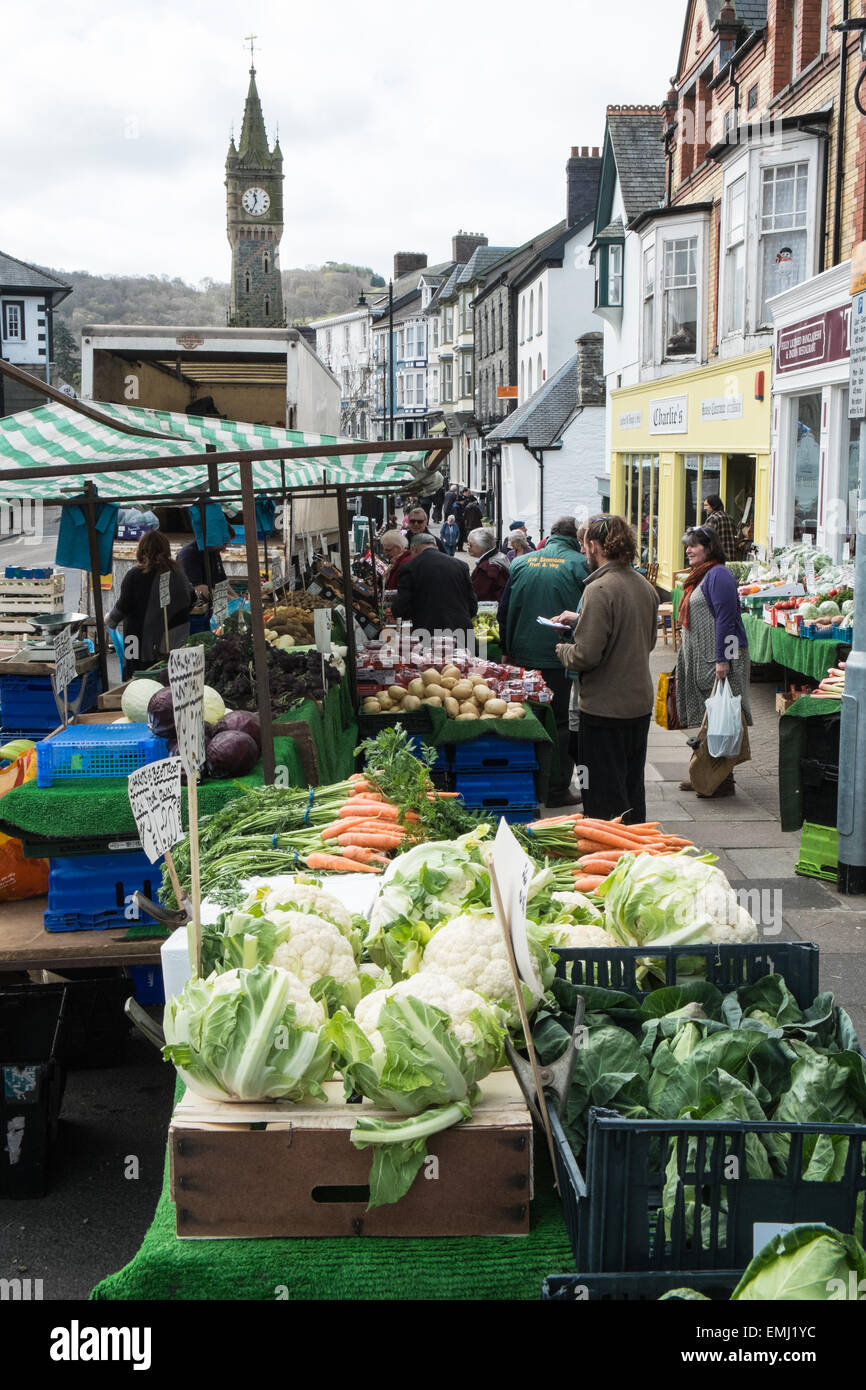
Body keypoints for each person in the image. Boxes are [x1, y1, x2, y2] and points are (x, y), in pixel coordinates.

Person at [552, 515, 659, 824]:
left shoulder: (599, 589)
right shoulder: (644, 585)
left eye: (585, 545)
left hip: (604, 708)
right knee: (630, 786)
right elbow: (646, 640)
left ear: (595, 546)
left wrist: (564, 651)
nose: (584, 551)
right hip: (638, 704)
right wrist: (581, 620)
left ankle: (611, 854)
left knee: (601, 793)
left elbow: (586, 656)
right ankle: (635, 846)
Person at [501, 516, 590, 807]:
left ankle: (524, 781)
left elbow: (504, 612)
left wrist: (507, 648)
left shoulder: (521, 562)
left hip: (524, 653)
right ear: (575, 539)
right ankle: (556, 788)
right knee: (561, 721)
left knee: (525, 716)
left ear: (550, 535)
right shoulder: (580, 564)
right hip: (559, 655)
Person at [675, 524, 752, 798]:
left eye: (693, 545)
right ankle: (705, 774)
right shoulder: (701, 576)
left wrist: (723, 659)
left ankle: (721, 780)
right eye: (687, 545)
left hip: (719, 659)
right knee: (712, 719)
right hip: (705, 657)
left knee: (723, 719)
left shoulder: (719, 575)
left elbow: (727, 619)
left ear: (708, 548)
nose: (688, 550)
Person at [107, 531, 195, 679]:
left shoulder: (134, 575)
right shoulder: (178, 572)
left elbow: (122, 608)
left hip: (135, 641)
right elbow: (191, 599)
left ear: (141, 550)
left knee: (134, 680)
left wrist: (109, 620)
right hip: (174, 640)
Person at [391, 534, 477, 639]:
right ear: (435, 546)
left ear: (413, 548)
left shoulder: (409, 568)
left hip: (429, 633)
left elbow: (401, 607)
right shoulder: (461, 565)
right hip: (462, 630)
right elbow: (472, 604)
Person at [468, 527, 510, 601]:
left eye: (470, 545)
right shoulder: (499, 556)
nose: (468, 547)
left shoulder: (487, 568)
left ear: (482, 546)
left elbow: (478, 596)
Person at [702, 493, 738, 561]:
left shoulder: (712, 519)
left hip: (718, 559)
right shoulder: (730, 518)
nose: (704, 508)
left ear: (714, 505)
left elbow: (705, 539)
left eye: (706, 505)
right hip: (731, 558)